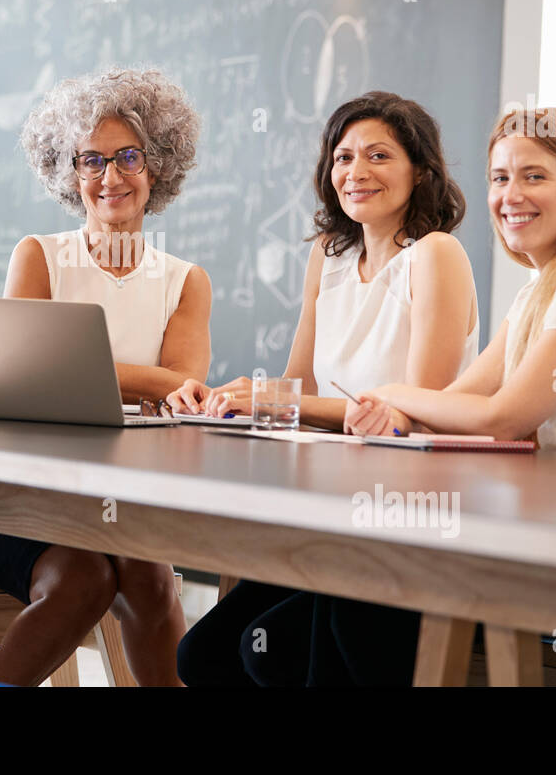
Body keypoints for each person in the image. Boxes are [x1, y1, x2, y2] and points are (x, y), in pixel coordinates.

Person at [169, 91, 480, 686]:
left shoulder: (436, 255)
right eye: (343, 157)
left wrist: (267, 399)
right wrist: (222, 397)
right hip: (328, 506)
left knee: (270, 651)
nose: (355, 172)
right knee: (200, 655)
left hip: (402, 515)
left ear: (421, 170)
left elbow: (415, 408)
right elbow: (300, 386)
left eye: (379, 156)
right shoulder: (329, 255)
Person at [0, 67, 212, 685]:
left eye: (128, 158)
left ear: (159, 167)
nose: (110, 177)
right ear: (70, 172)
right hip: (7, 491)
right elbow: (27, 377)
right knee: (92, 576)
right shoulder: (39, 256)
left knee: (148, 575)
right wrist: (152, 381)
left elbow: (186, 388)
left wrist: (108, 374)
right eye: (91, 160)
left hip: (112, 497)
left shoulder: (184, 280)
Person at [344, 106, 556, 467]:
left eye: (534, 177)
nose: (511, 196)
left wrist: (389, 395)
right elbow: (462, 399)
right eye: (500, 178)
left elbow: (502, 420)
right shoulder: (538, 294)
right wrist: (397, 417)